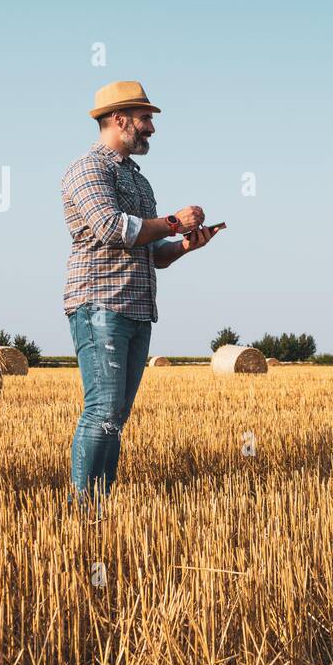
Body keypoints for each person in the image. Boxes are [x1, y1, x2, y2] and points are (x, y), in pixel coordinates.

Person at [62, 80, 219, 508]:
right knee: (103, 410)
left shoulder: (139, 181)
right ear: (119, 119)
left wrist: (186, 244)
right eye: (146, 119)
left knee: (117, 417)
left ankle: (101, 501)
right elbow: (113, 228)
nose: (151, 128)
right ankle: (83, 507)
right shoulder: (88, 169)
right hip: (101, 303)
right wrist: (172, 221)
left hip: (136, 307)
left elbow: (152, 254)